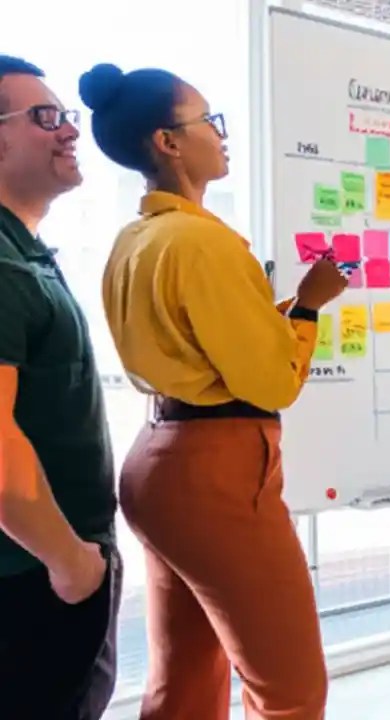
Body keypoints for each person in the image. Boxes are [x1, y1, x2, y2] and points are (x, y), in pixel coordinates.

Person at [82, 62, 347, 720]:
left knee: (186, 679)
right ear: (168, 142)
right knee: (289, 690)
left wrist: (276, 314)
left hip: (159, 462)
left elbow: (192, 346)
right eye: (208, 122)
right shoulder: (204, 243)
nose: (220, 136)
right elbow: (271, 381)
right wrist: (309, 309)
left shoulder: (135, 238)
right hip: (219, 471)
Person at [0, 54, 122, 720]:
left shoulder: (25, 253)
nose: (70, 130)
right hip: (33, 583)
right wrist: (72, 564)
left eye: (66, 115)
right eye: (44, 117)